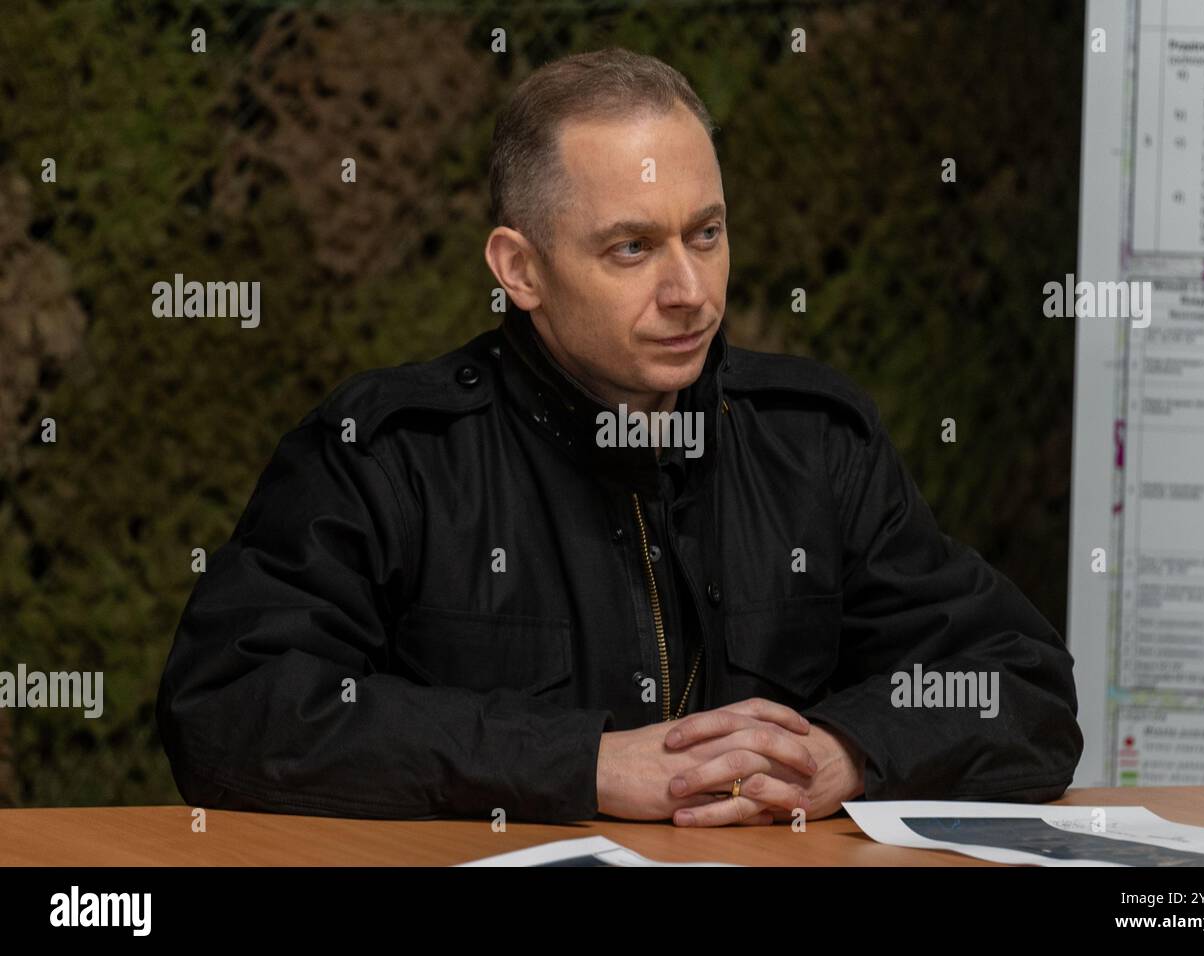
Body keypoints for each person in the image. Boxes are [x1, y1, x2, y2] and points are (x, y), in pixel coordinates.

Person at [156, 47, 1083, 827]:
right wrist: (585, 765)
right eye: (632, 248)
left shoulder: (814, 443)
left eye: (707, 233)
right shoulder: (388, 453)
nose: (689, 290)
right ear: (520, 268)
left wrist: (846, 753)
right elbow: (230, 713)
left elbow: (1022, 685)